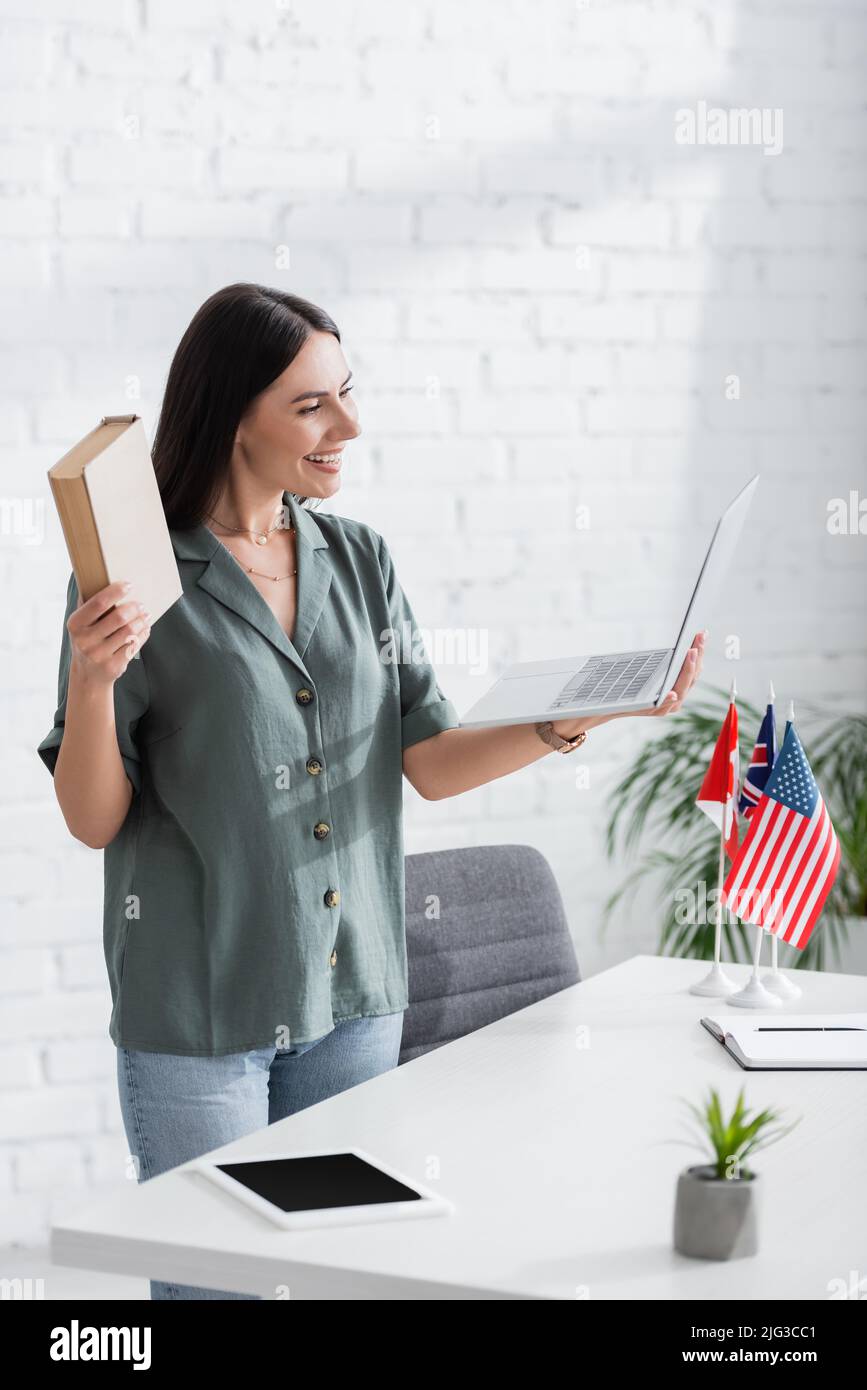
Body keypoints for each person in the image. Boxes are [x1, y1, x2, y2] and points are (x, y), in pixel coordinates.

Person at [37, 283, 705, 1299]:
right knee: (219, 1294)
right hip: (201, 1020)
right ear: (233, 414)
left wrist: (579, 717)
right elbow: (95, 817)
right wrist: (92, 682)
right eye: (313, 405)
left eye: (346, 394)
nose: (349, 425)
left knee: (340, 1286)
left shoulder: (360, 559)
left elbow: (427, 756)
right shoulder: (136, 578)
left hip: (355, 1001)